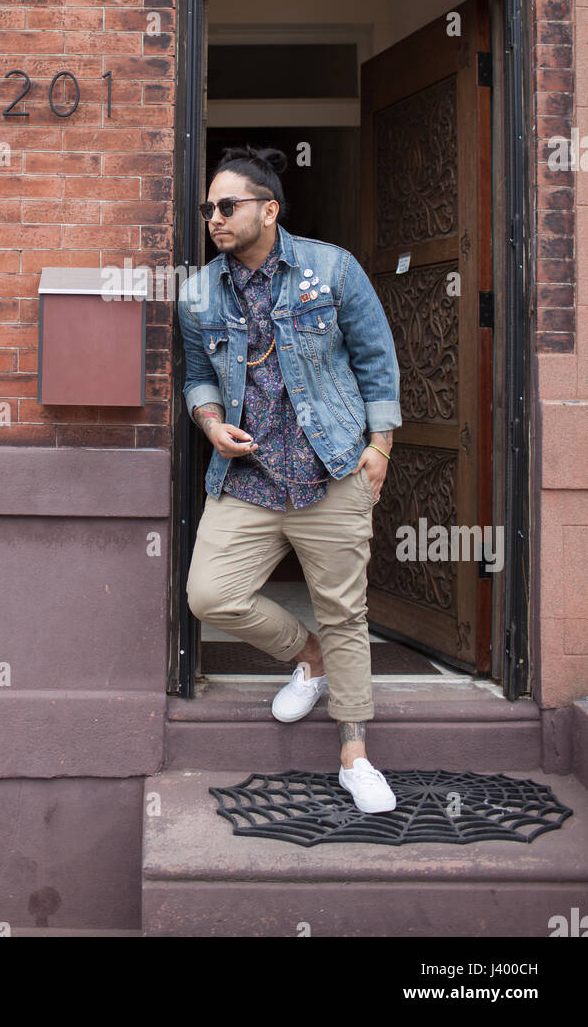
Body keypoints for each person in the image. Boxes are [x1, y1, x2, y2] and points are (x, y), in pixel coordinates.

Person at [176, 144, 402, 813]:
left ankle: (355, 757)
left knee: (345, 613)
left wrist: (381, 445)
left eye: (227, 205)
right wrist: (210, 421)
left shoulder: (331, 270)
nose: (213, 217)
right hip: (247, 478)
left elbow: (376, 357)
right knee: (209, 596)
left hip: (331, 470)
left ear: (268, 210)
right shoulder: (197, 293)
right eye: (208, 208)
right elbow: (195, 376)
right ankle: (308, 656)